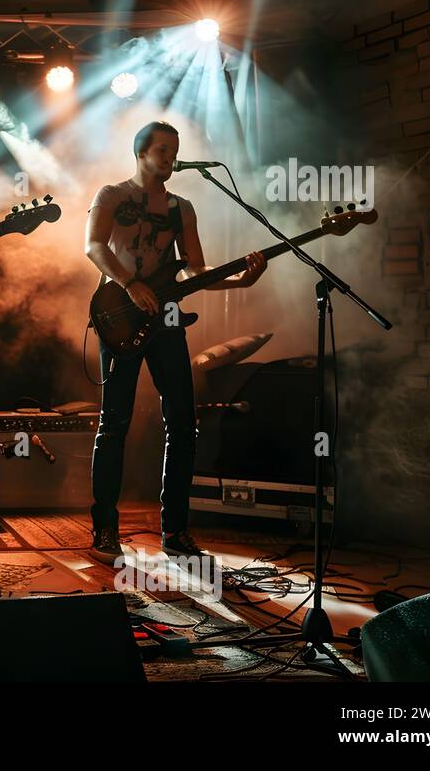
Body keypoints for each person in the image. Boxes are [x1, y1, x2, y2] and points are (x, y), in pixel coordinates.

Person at [84, 122, 266, 563]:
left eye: (175, 151)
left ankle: (176, 531)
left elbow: (192, 271)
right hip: (120, 315)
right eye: (162, 150)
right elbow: (93, 247)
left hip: (166, 317)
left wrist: (239, 281)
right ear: (141, 152)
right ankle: (106, 529)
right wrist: (129, 283)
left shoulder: (182, 208)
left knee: (184, 424)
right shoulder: (111, 196)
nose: (170, 157)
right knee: (114, 424)